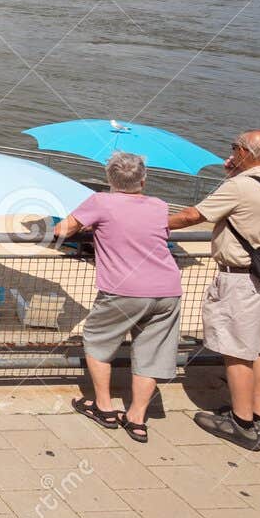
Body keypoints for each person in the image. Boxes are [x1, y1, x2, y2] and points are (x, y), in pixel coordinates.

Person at [167, 129, 260, 451]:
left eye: (234, 148)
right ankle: (259, 419)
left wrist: (147, 222)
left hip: (243, 281)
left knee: (238, 352)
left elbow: (192, 215)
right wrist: (235, 174)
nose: (231, 152)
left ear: (245, 152)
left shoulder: (239, 186)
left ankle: (241, 424)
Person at [53, 152, 182, 444]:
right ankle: (137, 419)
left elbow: (62, 230)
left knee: (97, 339)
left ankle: (104, 407)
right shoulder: (160, 206)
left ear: (110, 179)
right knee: (151, 352)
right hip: (167, 288)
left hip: (124, 289)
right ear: (143, 180)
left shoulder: (100, 202)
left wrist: (89, 225)